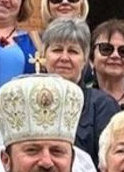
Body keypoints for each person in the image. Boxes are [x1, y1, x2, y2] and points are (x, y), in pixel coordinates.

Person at [38, 18, 117, 160]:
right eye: (57, 50)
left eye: (73, 51)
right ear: (44, 55)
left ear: (85, 59)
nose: (64, 57)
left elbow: (109, 162)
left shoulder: (102, 106)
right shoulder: (27, 99)